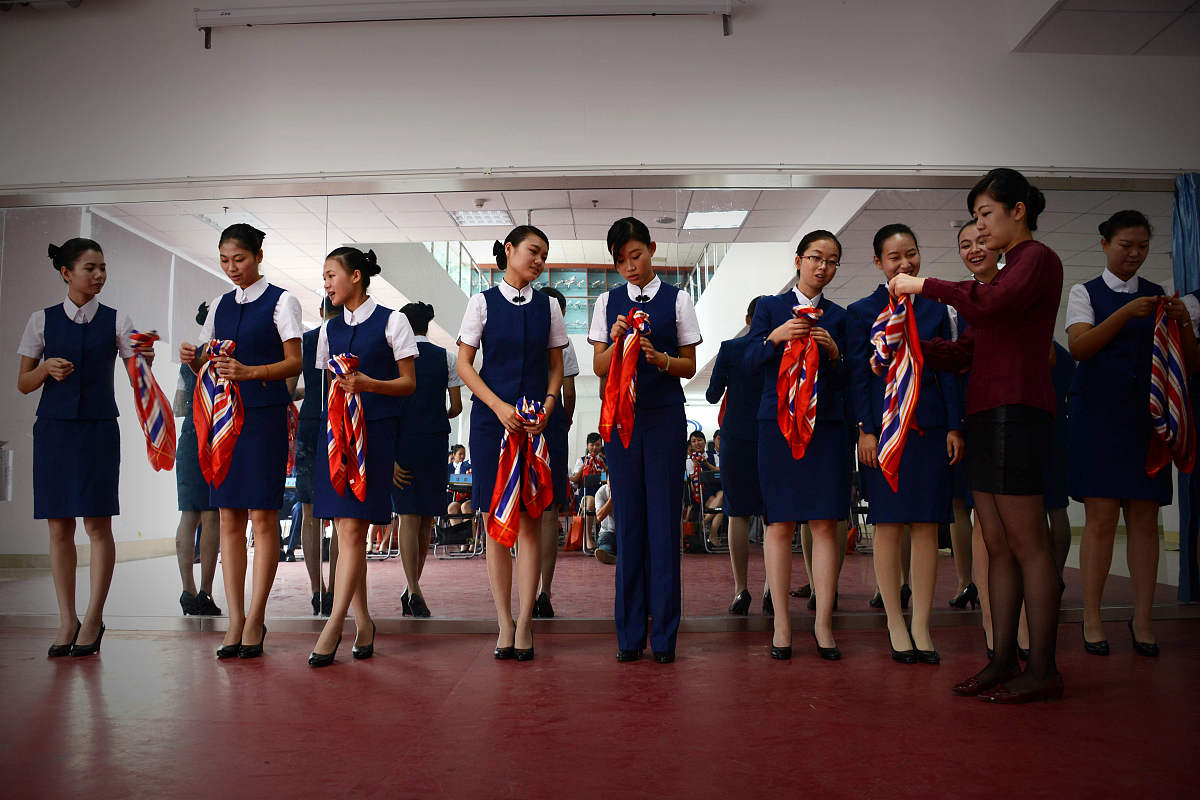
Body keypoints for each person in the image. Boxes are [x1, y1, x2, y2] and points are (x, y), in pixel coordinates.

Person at [891, 168, 1064, 702]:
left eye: (987, 214)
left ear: (1018, 211)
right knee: (997, 544)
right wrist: (908, 348)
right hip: (986, 413)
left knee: (1028, 544)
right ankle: (1003, 659)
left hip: (1017, 410)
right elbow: (966, 349)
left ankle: (1043, 668)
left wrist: (924, 285)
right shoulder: (1007, 274)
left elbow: (988, 306)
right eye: (976, 217)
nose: (981, 227)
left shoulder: (1036, 259)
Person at [1066, 210, 1195, 658]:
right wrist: (1123, 314)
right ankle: (1092, 616)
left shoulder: (1159, 295)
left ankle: (1142, 618)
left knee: (1144, 520)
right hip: (1097, 419)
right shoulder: (1084, 292)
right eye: (1125, 245)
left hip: (1145, 422)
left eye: (1142, 246)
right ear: (1105, 243)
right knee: (1101, 520)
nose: (1134, 254)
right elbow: (1080, 346)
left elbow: (1188, 362)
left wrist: (1184, 321)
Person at [18, 238, 156, 657]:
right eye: (90, 269)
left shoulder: (116, 320)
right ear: (66, 273)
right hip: (54, 432)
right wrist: (44, 368)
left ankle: (93, 618)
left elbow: (137, 373)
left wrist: (145, 356)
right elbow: (23, 383)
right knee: (59, 526)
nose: (98, 276)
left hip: (98, 430)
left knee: (98, 526)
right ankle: (67, 619)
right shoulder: (40, 320)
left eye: (102, 268)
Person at [179, 223, 303, 660]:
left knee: (263, 518)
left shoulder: (282, 301)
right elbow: (207, 363)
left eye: (240, 259)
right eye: (225, 260)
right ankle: (235, 619)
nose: (232, 268)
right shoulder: (219, 304)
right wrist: (193, 359)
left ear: (258, 256)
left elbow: (294, 363)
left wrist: (251, 372)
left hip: (264, 418)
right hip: (223, 420)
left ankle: (255, 618)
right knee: (228, 516)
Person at [847, 224, 962, 664]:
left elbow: (947, 369)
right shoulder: (862, 312)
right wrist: (864, 430)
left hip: (929, 429)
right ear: (878, 262)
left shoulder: (936, 307)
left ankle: (921, 624)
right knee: (888, 525)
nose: (905, 263)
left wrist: (954, 425)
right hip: (884, 433)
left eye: (910, 253)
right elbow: (859, 377)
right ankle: (895, 621)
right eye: (894, 257)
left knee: (927, 527)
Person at [591, 216, 700, 663]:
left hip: (664, 418)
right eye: (621, 261)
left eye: (635, 256)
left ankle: (666, 638)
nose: (630, 267)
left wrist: (661, 360)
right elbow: (599, 367)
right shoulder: (606, 302)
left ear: (652, 249)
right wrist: (615, 340)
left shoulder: (678, 299)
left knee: (664, 525)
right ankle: (630, 635)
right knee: (629, 522)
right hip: (621, 421)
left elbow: (690, 365)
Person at [457, 225, 566, 661]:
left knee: (531, 519)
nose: (539, 261)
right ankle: (503, 620)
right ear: (509, 250)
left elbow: (556, 367)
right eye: (533, 251)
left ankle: (525, 622)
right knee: (495, 521)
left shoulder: (548, 307)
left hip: (536, 425)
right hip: (491, 423)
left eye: (544, 256)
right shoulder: (481, 302)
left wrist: (550, 404)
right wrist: (499, 407)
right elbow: (465, 365)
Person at [308, 248, 417, 666]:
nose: (326, 284)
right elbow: (329, 389)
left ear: (356, 276)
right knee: (345, 531)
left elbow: (408, 384)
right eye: (324, 277)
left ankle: (333, 625)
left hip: (374, 436)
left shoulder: (393, 321)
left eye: (331, 275)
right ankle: (364, 622)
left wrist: (370, 384)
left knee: (352, 530)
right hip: (336, 438)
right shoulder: (328, 329)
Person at [745, 230, 848, 661]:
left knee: (824, 523)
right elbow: (747, 363)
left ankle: (823, 622)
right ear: (799, 260)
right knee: (780, 524)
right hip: (778, 426)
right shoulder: (770, 308)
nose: (822, 267)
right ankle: (782, 624)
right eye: (815, 257)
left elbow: (848, 381)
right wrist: (774, 337)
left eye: (831, 260)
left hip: (826, 427)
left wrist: (836, 354)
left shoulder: (839, 316)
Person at [391, 301, 463, 619]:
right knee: (425, 521)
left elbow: (387, 408)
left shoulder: (395, 358)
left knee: (408, 516)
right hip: (435, 442)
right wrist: (433, 414)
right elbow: (456, 407)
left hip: (403, 443)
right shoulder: (446, 357)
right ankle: (412, 589)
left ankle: (413, 589)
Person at [947, 220, 1000, 611]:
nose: (975, 249)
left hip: (1007, 411)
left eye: (982, 241)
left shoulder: (1018, 288)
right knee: (961, 502)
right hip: (967, 411)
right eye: (966, 244)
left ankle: (996, 586)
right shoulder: (956, 303)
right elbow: (952, 361)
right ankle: (967, 581)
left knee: (996, 506)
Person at [705, 296, 765, 615]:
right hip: (771, 436)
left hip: (736, 438)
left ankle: (742, 589)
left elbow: (712, 394)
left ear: (747, 319)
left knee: (737, 513)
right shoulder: (780, 348)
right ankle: (772, 588)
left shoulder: (730, 349)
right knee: (774, 516)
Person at [534, 286, 580, 619]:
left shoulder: (523, 334)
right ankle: (544, 592)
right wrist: (565, 420)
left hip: (521, 418)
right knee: (549, 511)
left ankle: (526, 589)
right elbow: (569, 391)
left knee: (525, 508)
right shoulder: (565, 343)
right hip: (552, 424)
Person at [173, 301, 221, 617]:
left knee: (188, 514)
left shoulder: (187, 360)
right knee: (211, 514)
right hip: (217, 437)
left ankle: (187, 589)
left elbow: (178, 406)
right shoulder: (225, 358)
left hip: (190, 436)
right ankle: (206, 591)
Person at [296, 297, 340, 617]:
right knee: (340, 515)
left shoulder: (304, 341)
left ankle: (316, 589)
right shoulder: (350, 338)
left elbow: (289, 388)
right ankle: (334, 590)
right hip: (341, 424)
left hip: (310, 422)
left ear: (321, 311)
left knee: (309, 512)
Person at [684, 430, 724, 546]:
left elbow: (720, 472)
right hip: (700, 493)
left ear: (705, 442)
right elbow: (692, 483)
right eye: (694, 441)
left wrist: (707, 464)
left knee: (722, 496)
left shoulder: (713, 456)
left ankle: (703, 523)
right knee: (723, 504)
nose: (697, 443)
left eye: (699, 440)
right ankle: (713, 535)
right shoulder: (689, 461)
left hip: (715, 489)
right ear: (691, 445)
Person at [594, 479, 617, 565]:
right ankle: (612, 556)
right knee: (605, 547)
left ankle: (617, 558)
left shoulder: (628, 490)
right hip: (608, 532)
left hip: (625, 532)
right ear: (607, 480)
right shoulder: (602, 492)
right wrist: (612, 499)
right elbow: (599, 517)